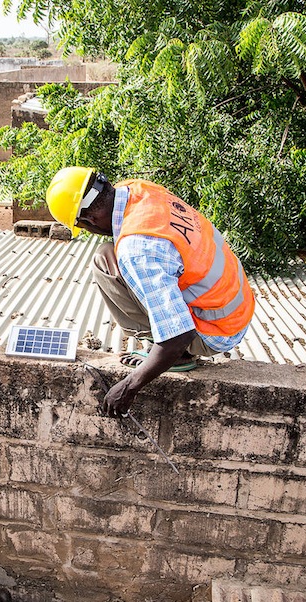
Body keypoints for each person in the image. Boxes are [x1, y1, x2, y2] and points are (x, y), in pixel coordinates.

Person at [46, 167, 255, 418]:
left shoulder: (138, 249)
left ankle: (176, 357)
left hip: (215, 330)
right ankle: (167, 346)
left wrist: (130, 386)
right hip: (236, 306)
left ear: (89, 221)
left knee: (105, 262)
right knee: (108, 254)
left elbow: (178, 335)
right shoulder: (138, 189)